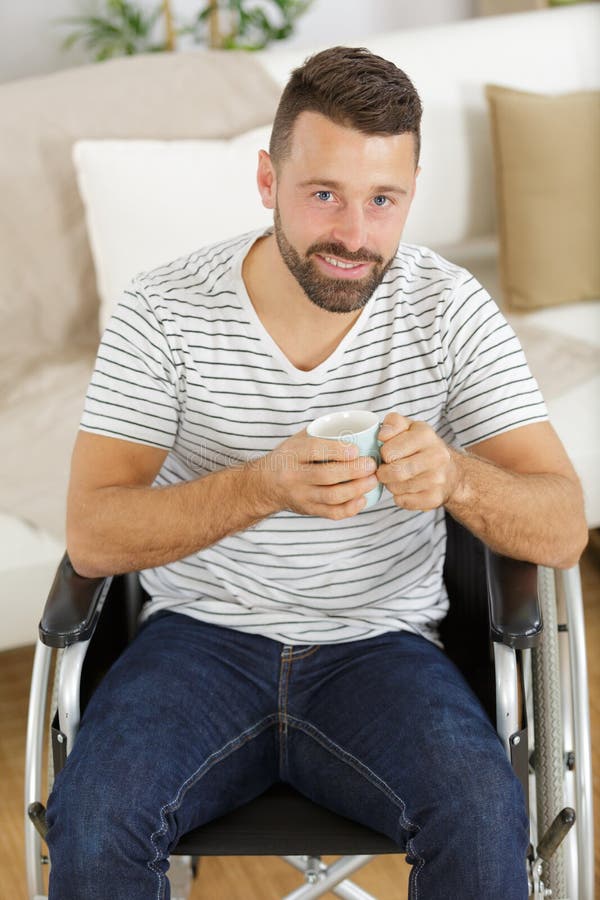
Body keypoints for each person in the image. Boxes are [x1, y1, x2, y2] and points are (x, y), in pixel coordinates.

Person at [46, 46, 587, 899]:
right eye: (324, 193)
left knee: (484, 820)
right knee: (94, 821)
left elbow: (561, 525)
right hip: (199, 642)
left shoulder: (448, 311)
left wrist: (456, 478)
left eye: (383, 201)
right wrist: (260, 486)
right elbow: (93, 531)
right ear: (268, 179)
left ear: (413, 194)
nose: (353, 235)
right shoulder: (163, 312)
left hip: (384, 647)